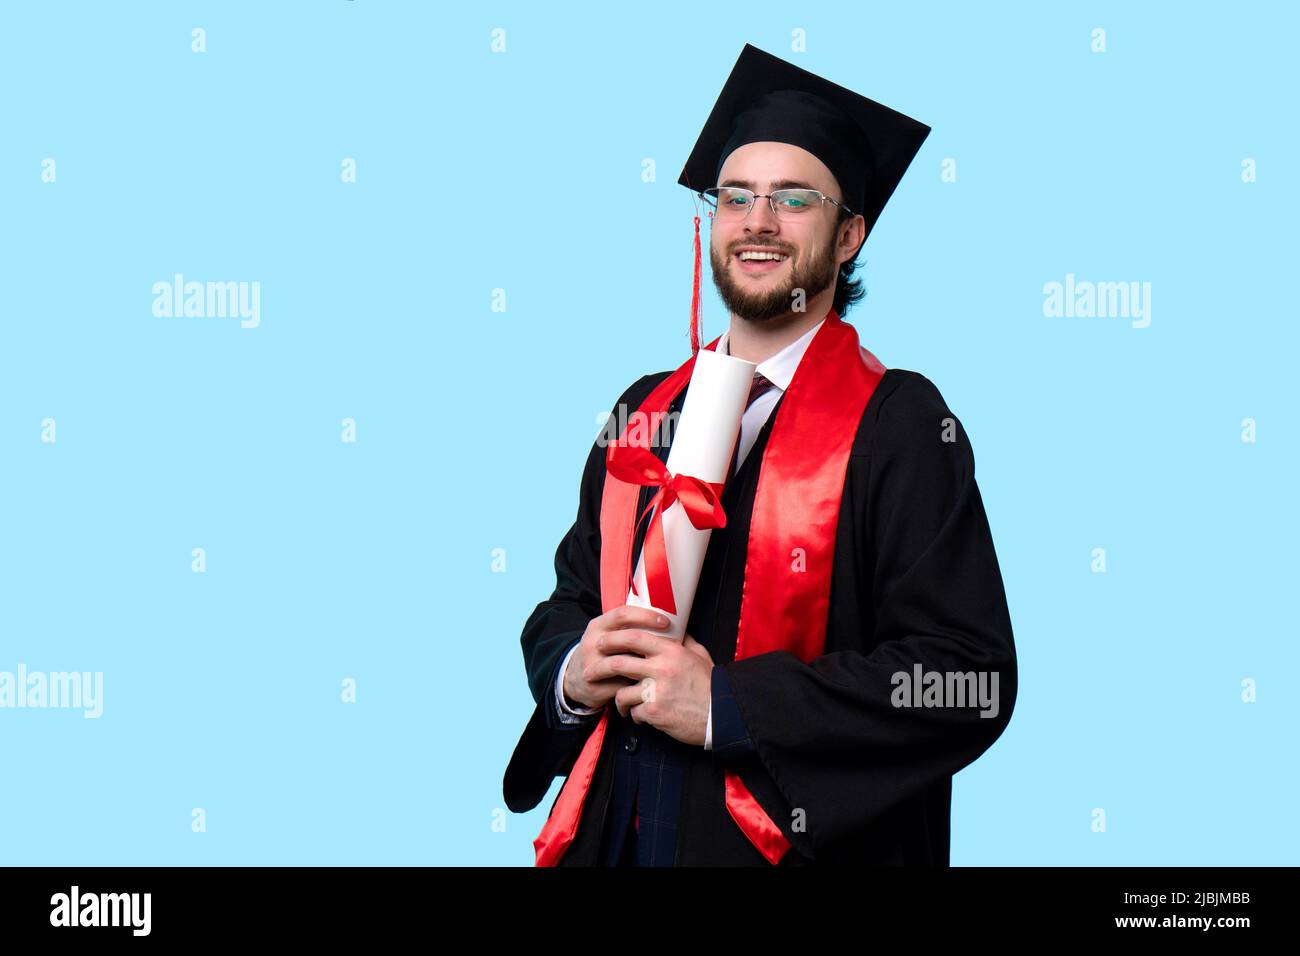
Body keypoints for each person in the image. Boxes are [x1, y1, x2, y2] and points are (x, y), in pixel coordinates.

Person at [502, 43, 1017, 866]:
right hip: (613, 839)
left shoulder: (901, 425)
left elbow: (968, 678)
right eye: (736, 196)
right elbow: (566, 598)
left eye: (793, 199)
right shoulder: (645, 408)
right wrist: (574, 667)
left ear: (848, 236)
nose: (758, 221)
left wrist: (726, 705)